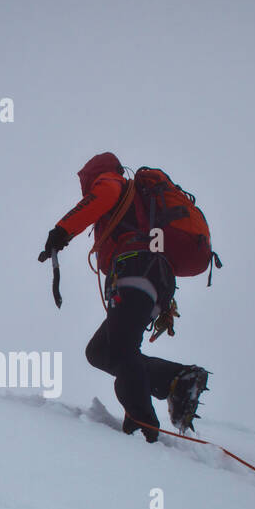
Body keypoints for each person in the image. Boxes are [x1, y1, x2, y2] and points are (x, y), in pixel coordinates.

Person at [38, 152, 209, 443]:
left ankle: (143, 430)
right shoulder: (136, 201)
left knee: (120, 349)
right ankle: (176, 380)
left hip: (137, 268)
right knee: (100, 352)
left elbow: (102, 196)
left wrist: (61, 231)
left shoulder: (112, 181)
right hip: (152, 278)